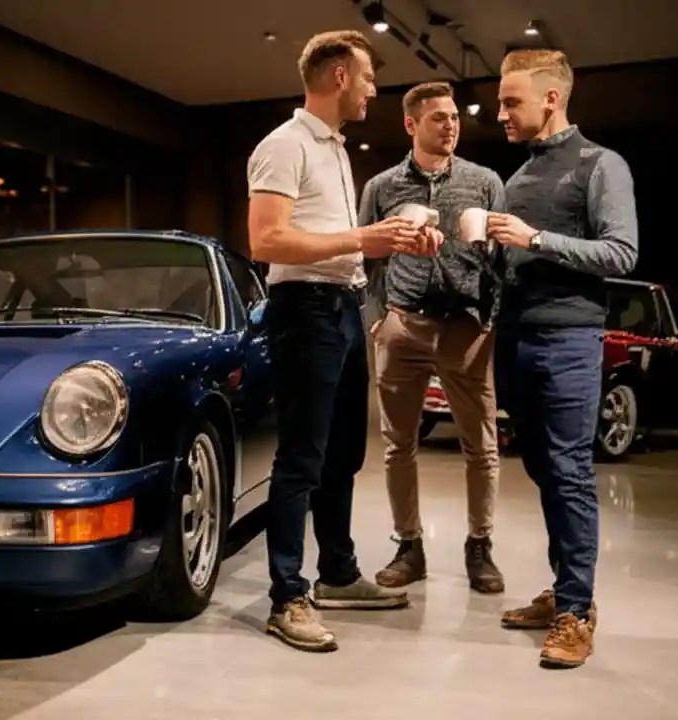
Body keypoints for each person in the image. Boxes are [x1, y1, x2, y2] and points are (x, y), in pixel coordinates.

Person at [246, 29, 438, 653]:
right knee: (300, 458)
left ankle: (336, 574)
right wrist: (361, 239)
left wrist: (382, 242)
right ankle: (285, 597)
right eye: (368, 78)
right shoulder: (284, 145)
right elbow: (266, 242)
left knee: (341, 456)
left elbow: (329, 237)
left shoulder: (332, 148)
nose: (373, 90)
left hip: (343, 309)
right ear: (338, 77)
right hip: (304, 311)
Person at [488, 49, 638, 669]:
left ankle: (577, 610)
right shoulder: (519, 179)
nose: (499, 113)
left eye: (510, 101)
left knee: (570, 472)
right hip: (515, 339)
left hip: (571, 342)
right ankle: (564, 589)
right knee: (545, 471)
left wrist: (535, 239)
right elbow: (515, 264)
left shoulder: (602, 165)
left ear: (551, 98)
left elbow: (622, 252)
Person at [358, 81, 508, 595]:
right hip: (403, 326)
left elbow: (505, 261)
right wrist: (376, 318)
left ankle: (480, 544)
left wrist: (490, 316)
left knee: (481, 446)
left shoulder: (485, 181)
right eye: (439, 118)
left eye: (454, 117)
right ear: (411, 124)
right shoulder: (382, 187)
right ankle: (409, 545)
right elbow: (364, 259)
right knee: (399, 445)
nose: (451, 125)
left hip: (466, 327)